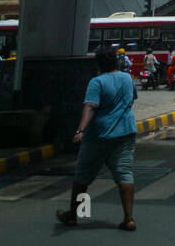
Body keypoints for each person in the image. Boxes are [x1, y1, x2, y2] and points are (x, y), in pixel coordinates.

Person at [57, 47, 138, 232]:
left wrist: (81, 130)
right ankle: (129, 218)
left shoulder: (97, 82)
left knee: (83, 176)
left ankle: (73, 215)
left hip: (98, 136)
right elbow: (131, 100)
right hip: (125, 133)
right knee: (125, 174)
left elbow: (90, 107)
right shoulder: (127, 78)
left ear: (98, 64)